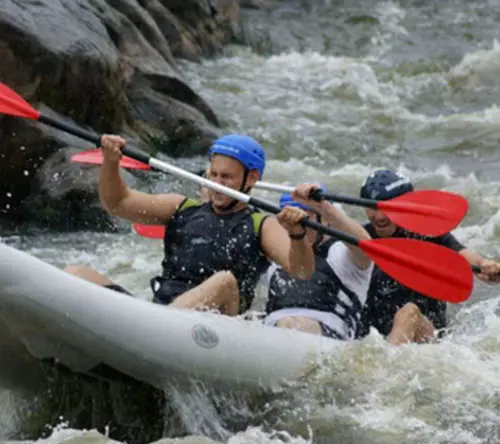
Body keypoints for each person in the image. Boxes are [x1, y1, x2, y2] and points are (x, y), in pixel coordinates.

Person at [66, 133, 316, 316]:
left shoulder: (262, 224)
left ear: (251, 178)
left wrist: (296, 234)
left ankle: (157, 326)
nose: (217, 183)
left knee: (224, 281)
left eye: (227, 177)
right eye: (214, 174)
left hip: (215, 324)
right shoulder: (182, 208)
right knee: (76, 273)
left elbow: (302, 270)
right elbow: (118, 203)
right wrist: (110, 162)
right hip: (158, 312)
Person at [357, 169, 500, 345]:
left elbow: (467, 258)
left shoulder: (428, 234)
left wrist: (484, 265)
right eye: (372, 207)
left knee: (409, 312)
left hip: (427, 336)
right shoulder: (357, 238)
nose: (378, 216)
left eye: (387, 206)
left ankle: (381, 368)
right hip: (374, 338)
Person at [263, 185, 374, 340]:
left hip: (329, 336)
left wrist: (323, 207)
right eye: (287, 221)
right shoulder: (276, 249)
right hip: (273, 329)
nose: (294, 228)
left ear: (325, 221)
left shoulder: (341, 254)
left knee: (290, 324)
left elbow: (366, 246)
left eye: (303, 221)